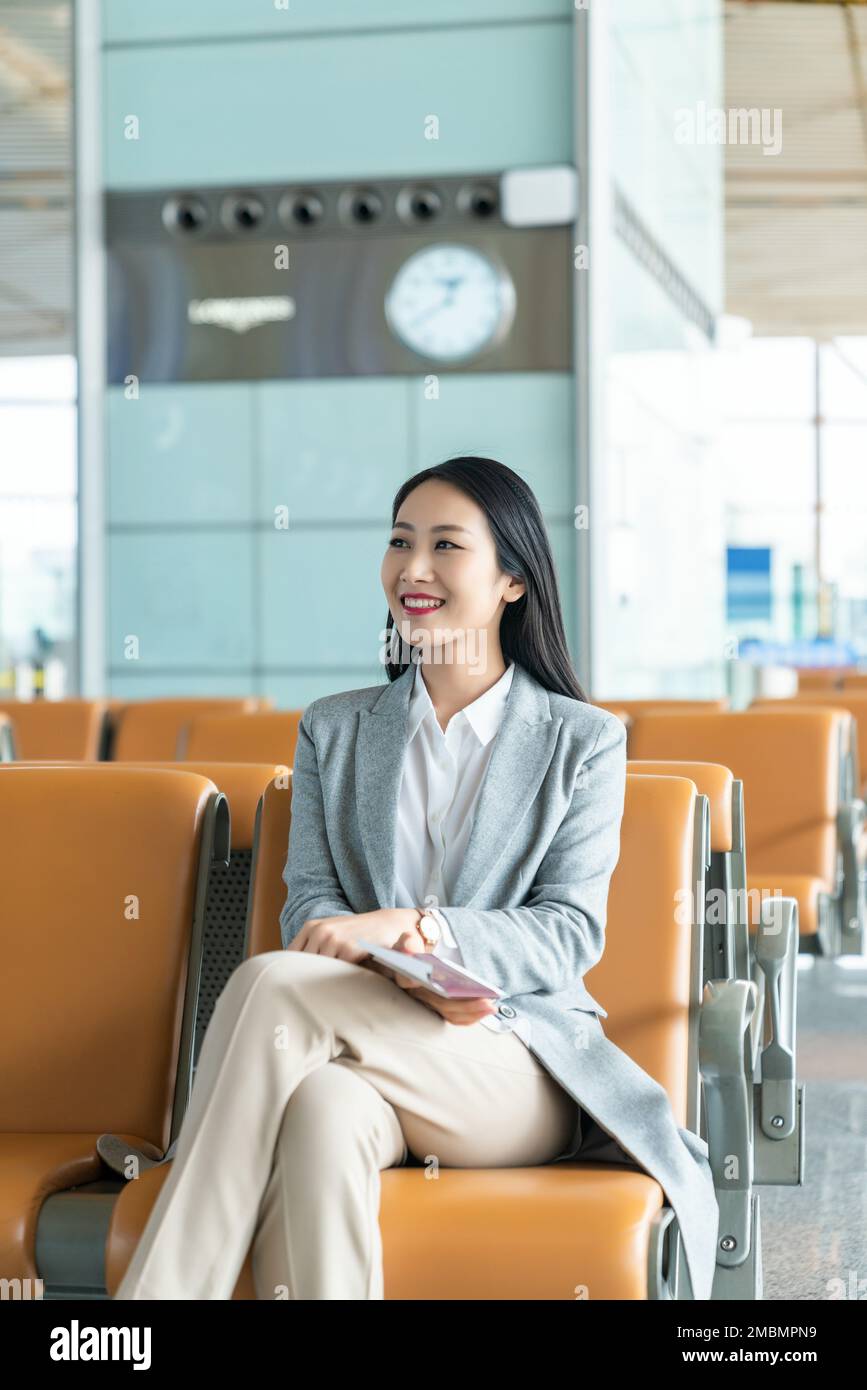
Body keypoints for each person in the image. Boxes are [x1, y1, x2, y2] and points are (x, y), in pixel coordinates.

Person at [114, 455, 718, 1301]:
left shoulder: (581, 742)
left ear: (512, 580)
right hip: (362, 1036)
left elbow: (569, 931)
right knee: (321, 1109)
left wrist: (418, 932)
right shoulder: (337, 729)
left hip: (515, 1062)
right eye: (400, 542)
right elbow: (313, 906)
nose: (414, 568)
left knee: (273, 983)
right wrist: (393, 967)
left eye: (445, 545)